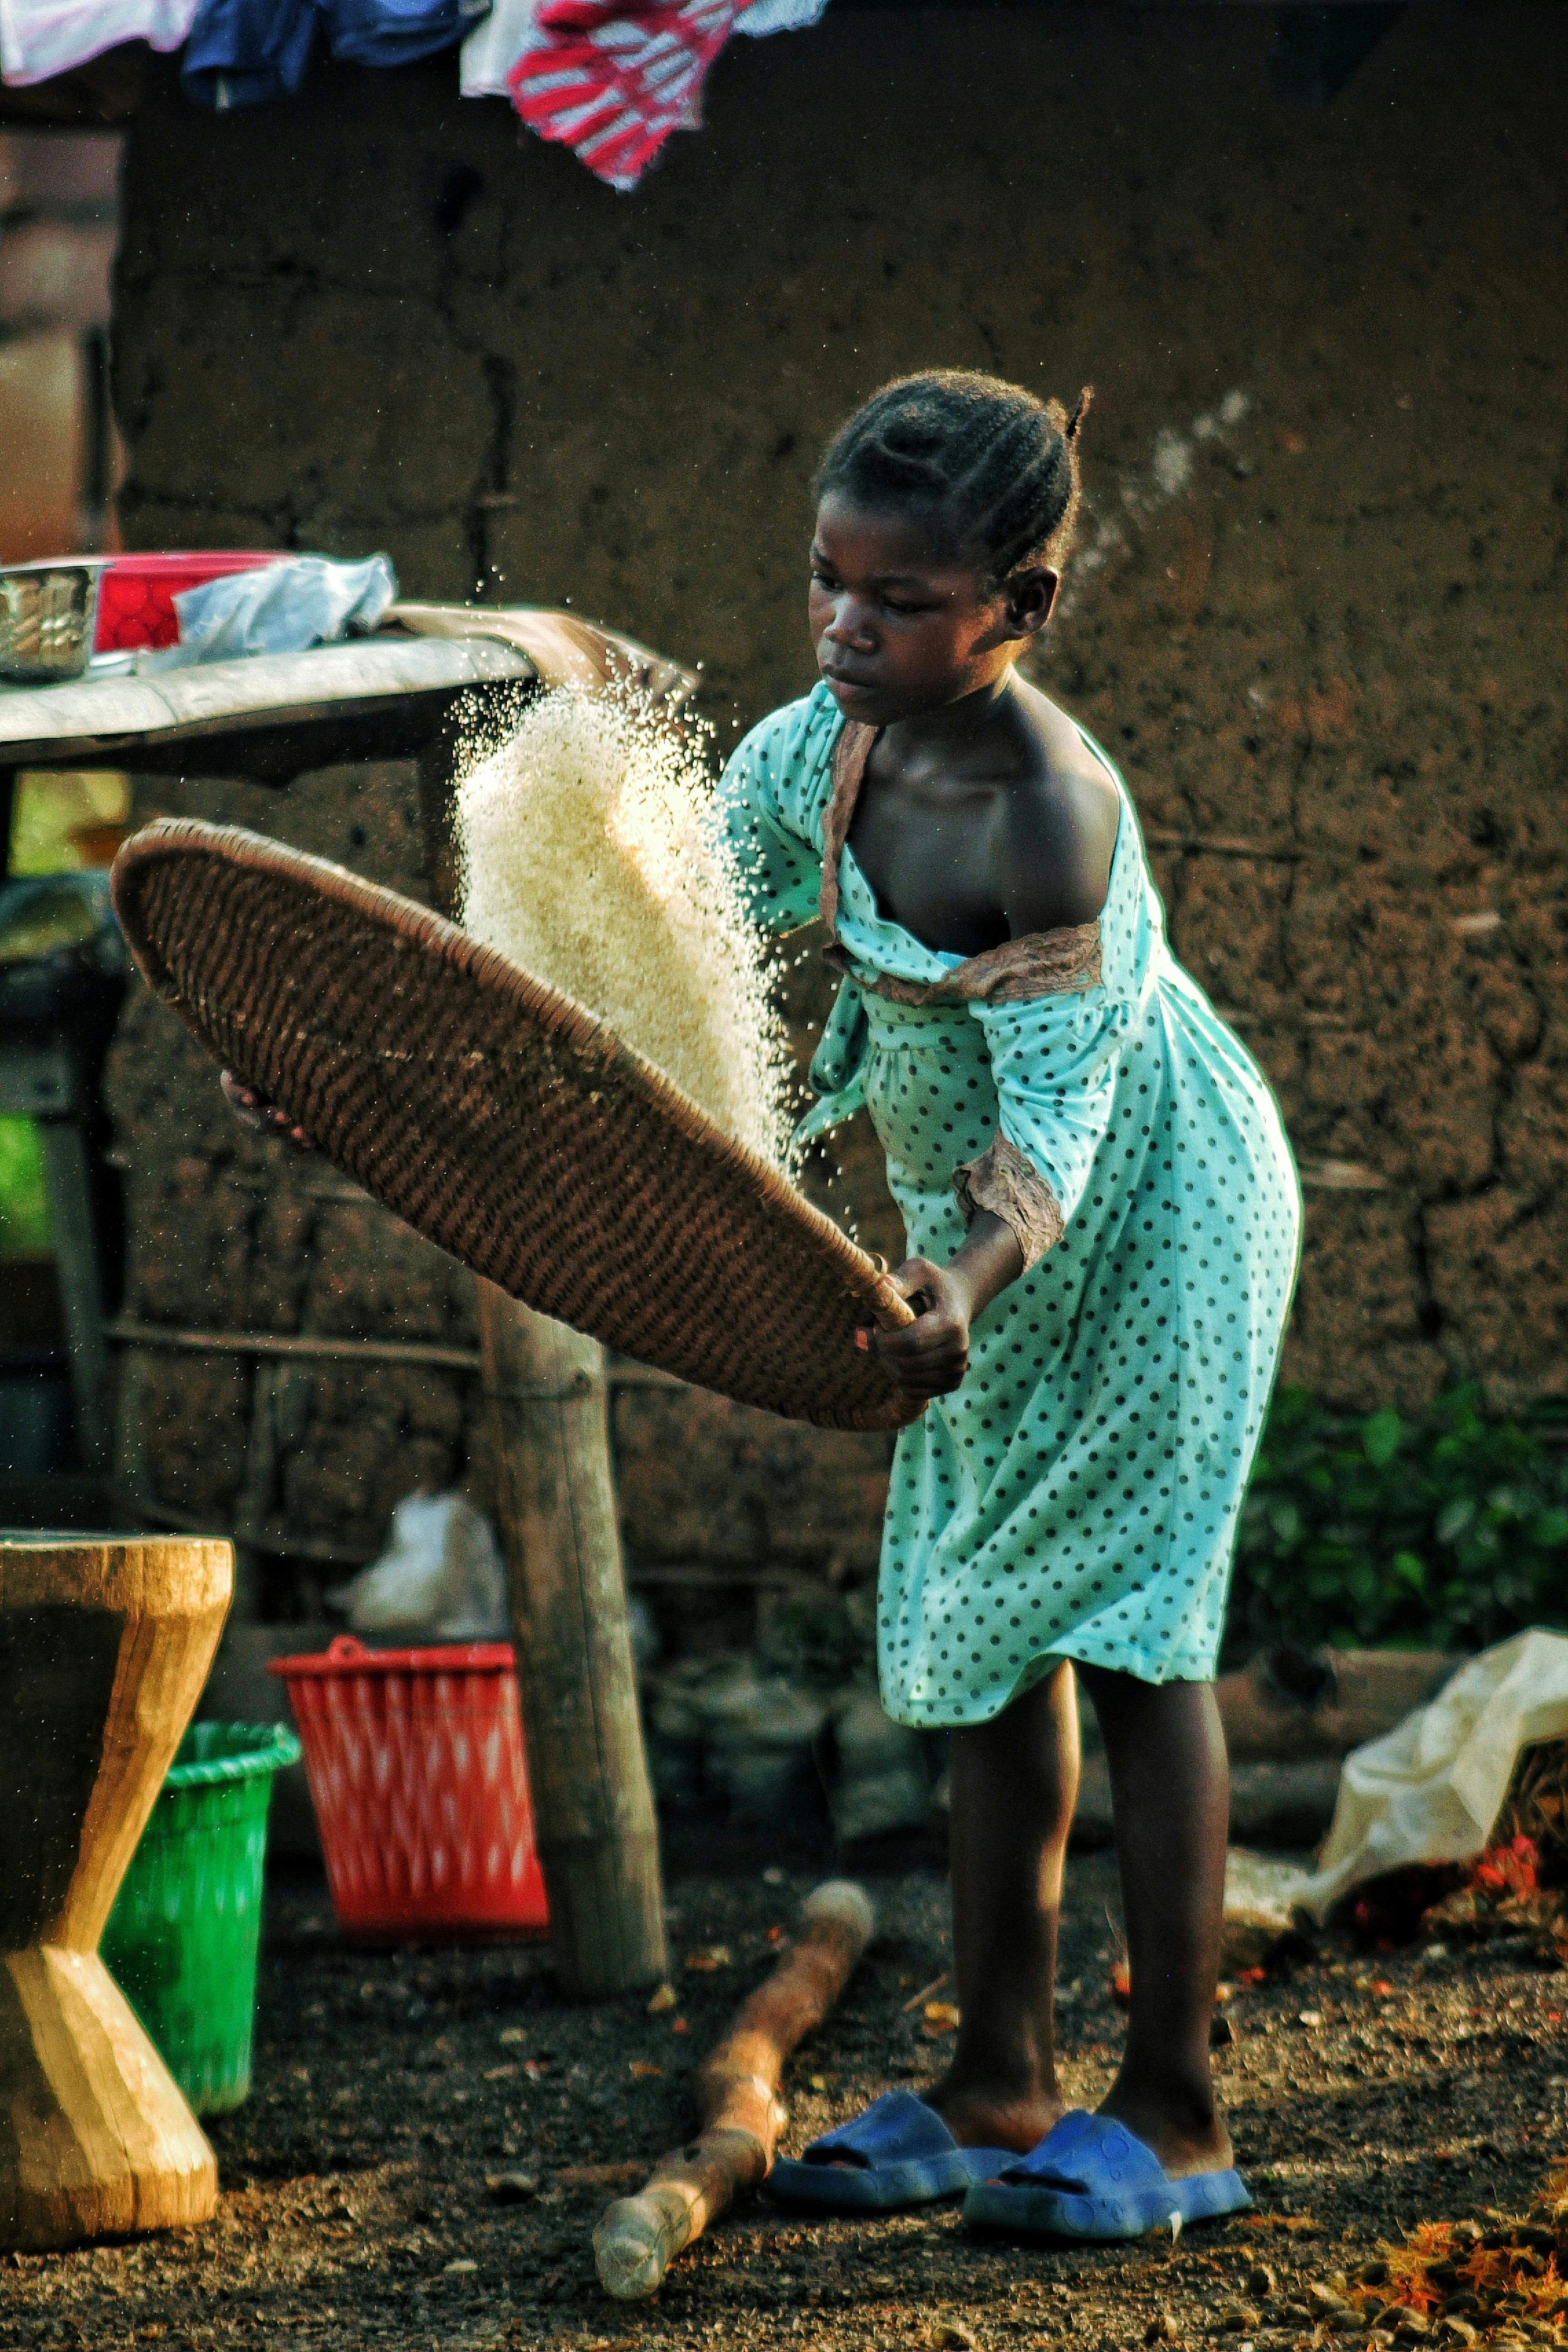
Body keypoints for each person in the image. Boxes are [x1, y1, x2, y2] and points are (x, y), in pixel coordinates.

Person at [716, 369, 1300, 2242]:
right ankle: (998, 2080)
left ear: (1020, 610)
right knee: (986, 1638)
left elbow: (1060, 1127)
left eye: (896, 601)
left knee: (1138, 1646)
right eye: (828, 580)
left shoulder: (1051, 814)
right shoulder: (816, 756)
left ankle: (1183, 2112)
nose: (843, 625)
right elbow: (667, 938)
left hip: (1147, 1226)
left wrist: (955, 1288)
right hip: (966, 1263)